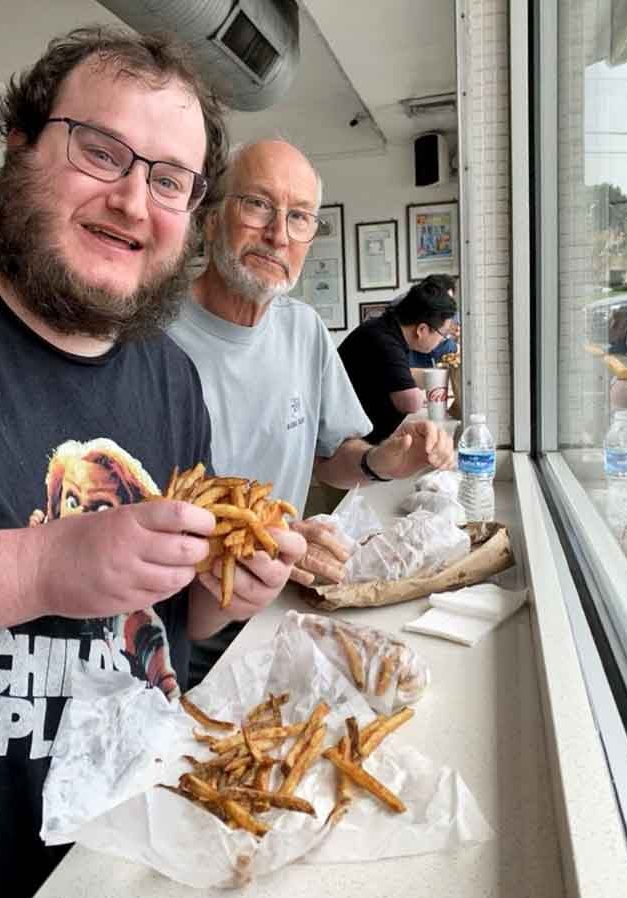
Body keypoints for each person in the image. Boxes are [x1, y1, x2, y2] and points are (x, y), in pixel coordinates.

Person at [0, 29, 306, 898]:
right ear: (19, 145)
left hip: (140, 854)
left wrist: (234, 585)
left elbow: (176, 616)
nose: (132, 202)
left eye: (168, 180)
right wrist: (44, 564)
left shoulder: (169, 372)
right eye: (101, 151)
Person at [168, 138, 455, 683]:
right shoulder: (151, 339)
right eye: (257, 205)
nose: (278, 234)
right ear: (209, 219)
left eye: (299, 217)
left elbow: (332, 456)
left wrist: (380, 462)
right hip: (177, 628)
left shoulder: (303, 329)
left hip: (279, 607)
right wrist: (261, 543)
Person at [338, 279, 457, 444]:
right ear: (422, 330)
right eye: (442, 333)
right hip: (348, 448)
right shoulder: (384, 340)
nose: (443, 340)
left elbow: (401, 374)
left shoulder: (387, 329)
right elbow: (410, 403)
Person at [407, 273, 459, 368]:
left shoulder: (453, 315)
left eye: (451, 300)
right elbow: (432, 348)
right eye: (445, 301)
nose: (448, 305)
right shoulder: (415, 316)